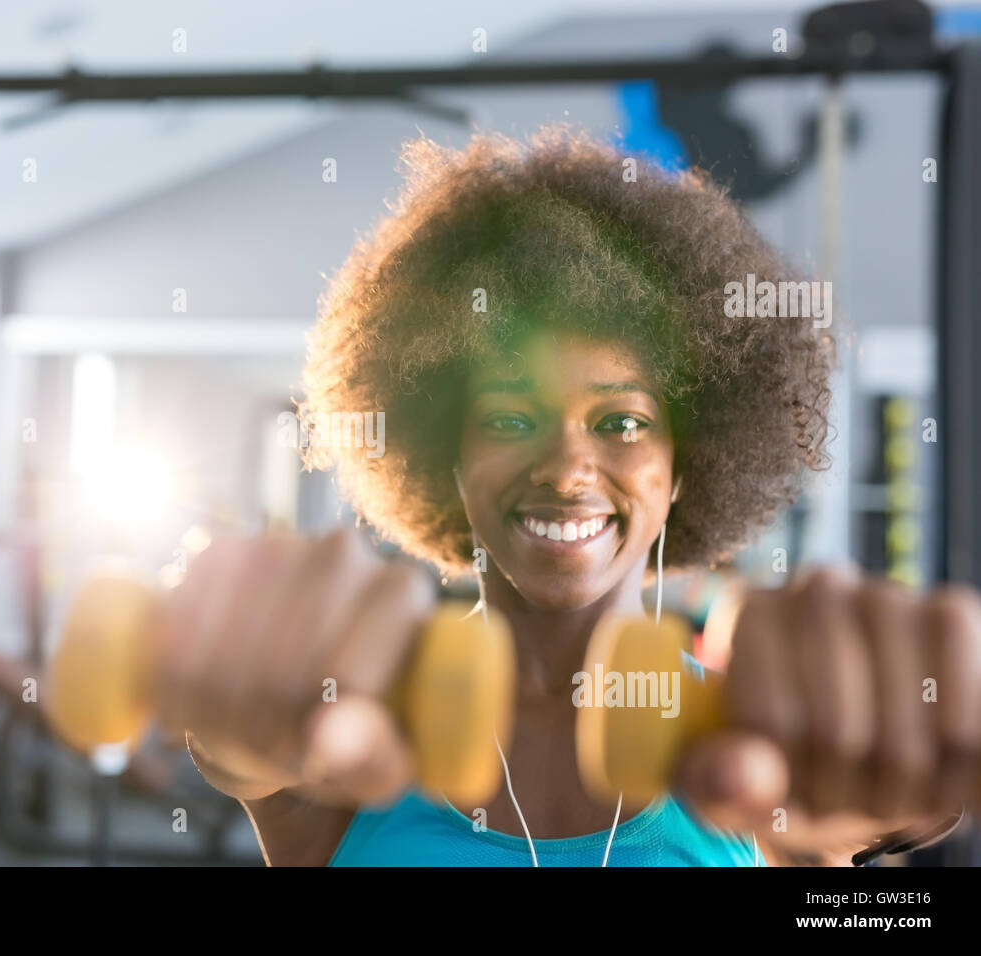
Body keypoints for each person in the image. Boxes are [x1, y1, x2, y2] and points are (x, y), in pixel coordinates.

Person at [167, 126, 978, 866]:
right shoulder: (350, 719)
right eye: (512, 416)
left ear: (685, 469)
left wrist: (895, 801)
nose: (566, 467)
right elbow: (237, 745)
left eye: (621, 420)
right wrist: (221, 662)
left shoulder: (762, 748)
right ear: (447, 457)